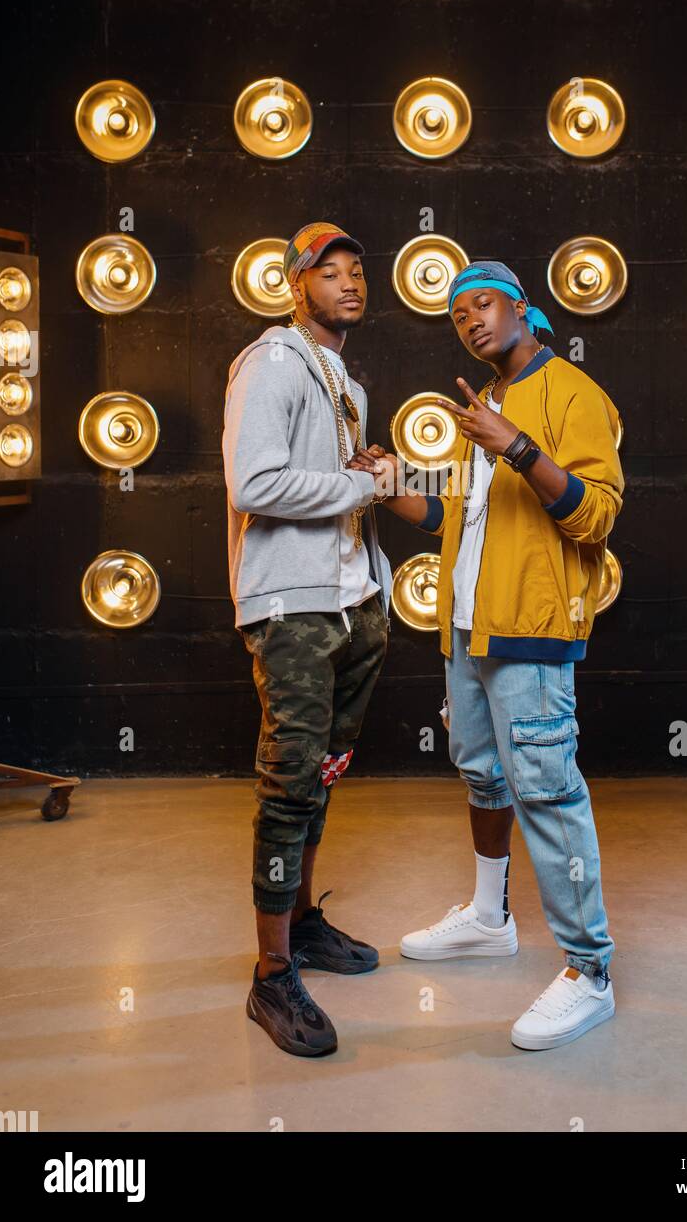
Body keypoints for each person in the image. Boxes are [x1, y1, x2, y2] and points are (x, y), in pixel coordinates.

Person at [352, 259, 624, 1051]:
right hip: (469, 629)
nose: (470, 320)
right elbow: (463, 518)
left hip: (531, 628)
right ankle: (488, 917)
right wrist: (388, 486)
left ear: (522, 311)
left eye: (482, 305)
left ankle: (589, 972)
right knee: (482, 771)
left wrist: (518, 447)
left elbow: (596, 516)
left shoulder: (573, 394)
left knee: (546, 789)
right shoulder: (488, 403)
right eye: (456, 314)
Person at [222, 221, 392, 1058]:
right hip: (291, 605)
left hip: (352, 600)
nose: (350, 284)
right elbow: (253, 482)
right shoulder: (272, 363)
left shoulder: (346, 385)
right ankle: (270, 973)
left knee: (324, 775)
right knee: (290, 786)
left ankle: (301, 922)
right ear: (298, 286)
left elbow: (336, 485)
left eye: (358, 272)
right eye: (330, 273)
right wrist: (354, 482)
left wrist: (371, 475)